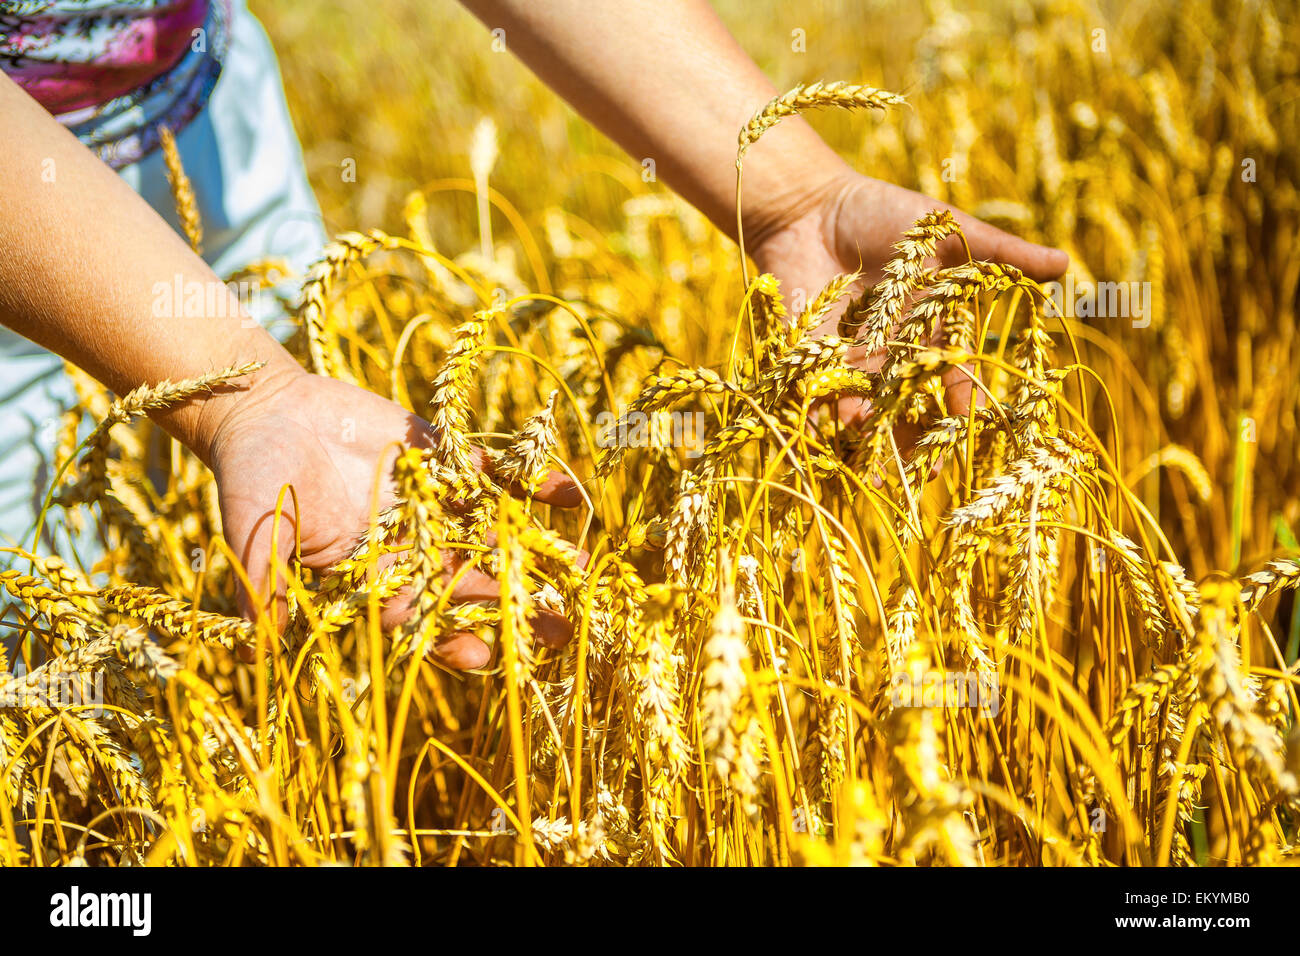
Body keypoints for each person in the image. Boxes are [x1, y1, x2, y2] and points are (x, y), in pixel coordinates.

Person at [0, 0, 1067, 669]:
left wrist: (796, 199)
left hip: (212, 112)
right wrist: (244, 395)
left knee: (257, 641)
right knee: (67, 684)